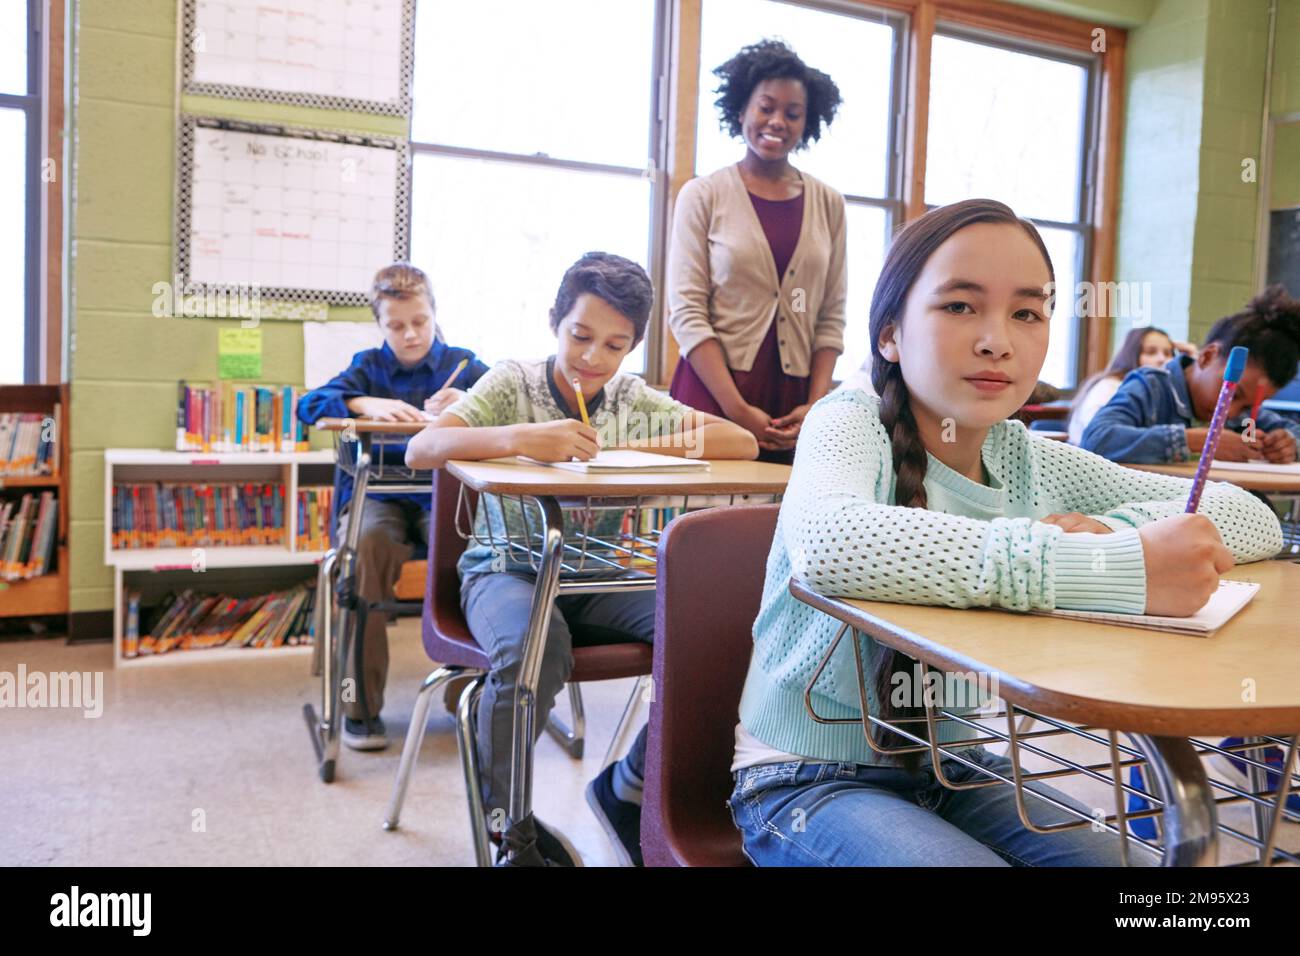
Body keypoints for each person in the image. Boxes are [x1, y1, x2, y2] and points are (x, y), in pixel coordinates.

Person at [727, 199, 1282, 866]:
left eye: (1027, 312)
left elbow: (1251, 515)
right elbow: (834, 544)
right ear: (890, 335)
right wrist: (1103, 565)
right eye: (959, 306)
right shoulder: (848, 421)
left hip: (956, 770)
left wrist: (1110, 527)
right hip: (805, 778)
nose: (998, 340)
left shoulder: (1026, 455)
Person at [406, 251, 756, 866]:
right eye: (581, 336)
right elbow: (423, 447)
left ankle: (627, 790)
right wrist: (519, 438)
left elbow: (741, 441)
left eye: (615, 345)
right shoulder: (513, 382)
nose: (594, 358)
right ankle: (509, 830)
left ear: (633, 348)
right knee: (536, 650)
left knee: (728, 638)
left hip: (597, 574)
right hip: (506, 569)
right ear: (555, 322)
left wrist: (631, 447)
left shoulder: (626, 396)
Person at [297, 263, 488, 751]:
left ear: (434, 314)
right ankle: (359, 708)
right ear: (380, 325)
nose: (410, 334)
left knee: (475, 557)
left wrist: (469, 401)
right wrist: (362, 404)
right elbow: (309, 404)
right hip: (378, 497)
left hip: (442, 492)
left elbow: (515, 407)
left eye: (420, 322)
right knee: (364, 551)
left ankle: (466, 701)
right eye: (397, 326)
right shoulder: (367, 366)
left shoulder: (463, 363)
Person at [666, 39, 846, 464]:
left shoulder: (829, 203)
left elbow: (831, 317)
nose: (777, 121)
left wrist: (817, 408)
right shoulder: (703, 195)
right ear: (742, 109)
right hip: (712, 397)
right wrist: (736, 410)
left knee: (783, 526)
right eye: (766, 107)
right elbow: (687, 312)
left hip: (795, 405)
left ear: (808, 121)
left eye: (792, 113)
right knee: (701, 526)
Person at [1080, 286, 1300, 463]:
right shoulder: (1151, 388)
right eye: (1232, 392)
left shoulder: (1242, 417)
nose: (1230, 411)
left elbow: (1292, 433)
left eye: (1247, 407)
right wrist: (1193, 441)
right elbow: (1096, 439)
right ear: (1207, 356)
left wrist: (1288, 444)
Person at [1066, 326, 1190, 444]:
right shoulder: (1109, 386)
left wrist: (1192, 363)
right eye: (1151, 352)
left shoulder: (1165, 393)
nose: (1162, 359)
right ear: (1131, 355)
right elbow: (1100, 437)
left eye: (1168, 353)